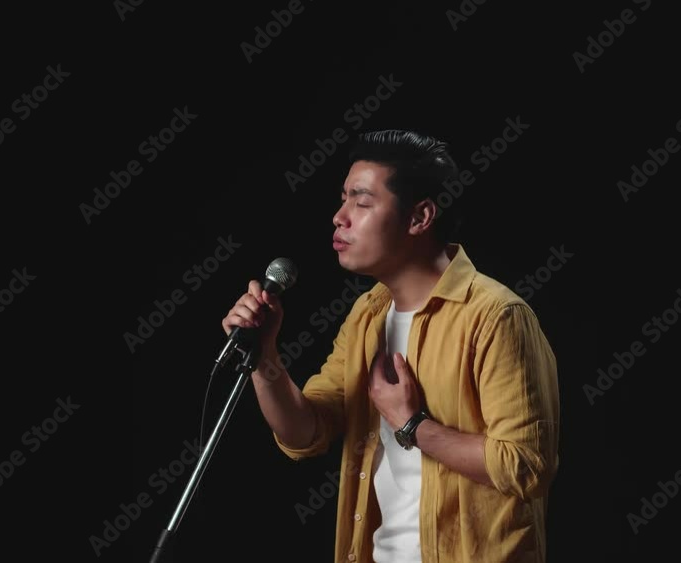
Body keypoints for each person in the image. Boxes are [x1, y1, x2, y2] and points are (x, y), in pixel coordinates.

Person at [222, 129, 560, 562]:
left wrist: (413, 425)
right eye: (343, 199)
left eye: (361, 203)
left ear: (419, 217)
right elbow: (306, 432)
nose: (339, 217)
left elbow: (526, 466)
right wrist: (265, 358)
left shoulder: (496, 317)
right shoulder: (368, 315)